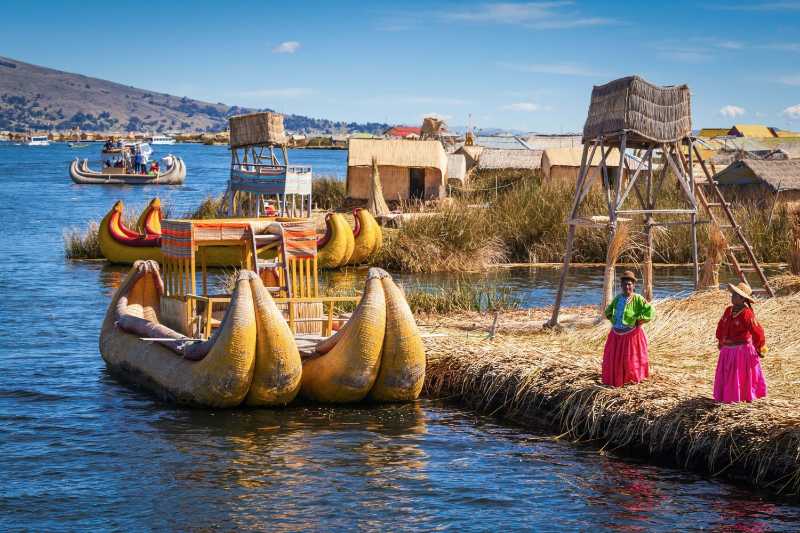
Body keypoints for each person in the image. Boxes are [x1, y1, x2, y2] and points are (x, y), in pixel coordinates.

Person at [713, 282, 767, 403]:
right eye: (732, 294)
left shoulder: (747, 314)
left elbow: (757, 331)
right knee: (727, 375)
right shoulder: (728, 310)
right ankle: (726, 397)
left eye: (735, 295)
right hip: (727, 351)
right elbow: (721, 326)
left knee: (739, 375)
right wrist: (721, 341)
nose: (732, 297)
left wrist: (760, 348)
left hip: (741, 352)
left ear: (743, 299)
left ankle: (741, 397)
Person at [602, 271, 654, 387]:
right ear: (621, 285)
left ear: (634, 285)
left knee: (630, 360)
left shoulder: (638, 299)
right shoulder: (617, 299)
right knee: (615, 360)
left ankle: (630, 381)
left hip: (631, 336)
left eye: (629, 284)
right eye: (625, 284)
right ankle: (616, 380)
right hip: (616, 336)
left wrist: (638, 321)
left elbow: (650, 311)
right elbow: (608, 311)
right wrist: (614, 321)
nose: (627, 287)